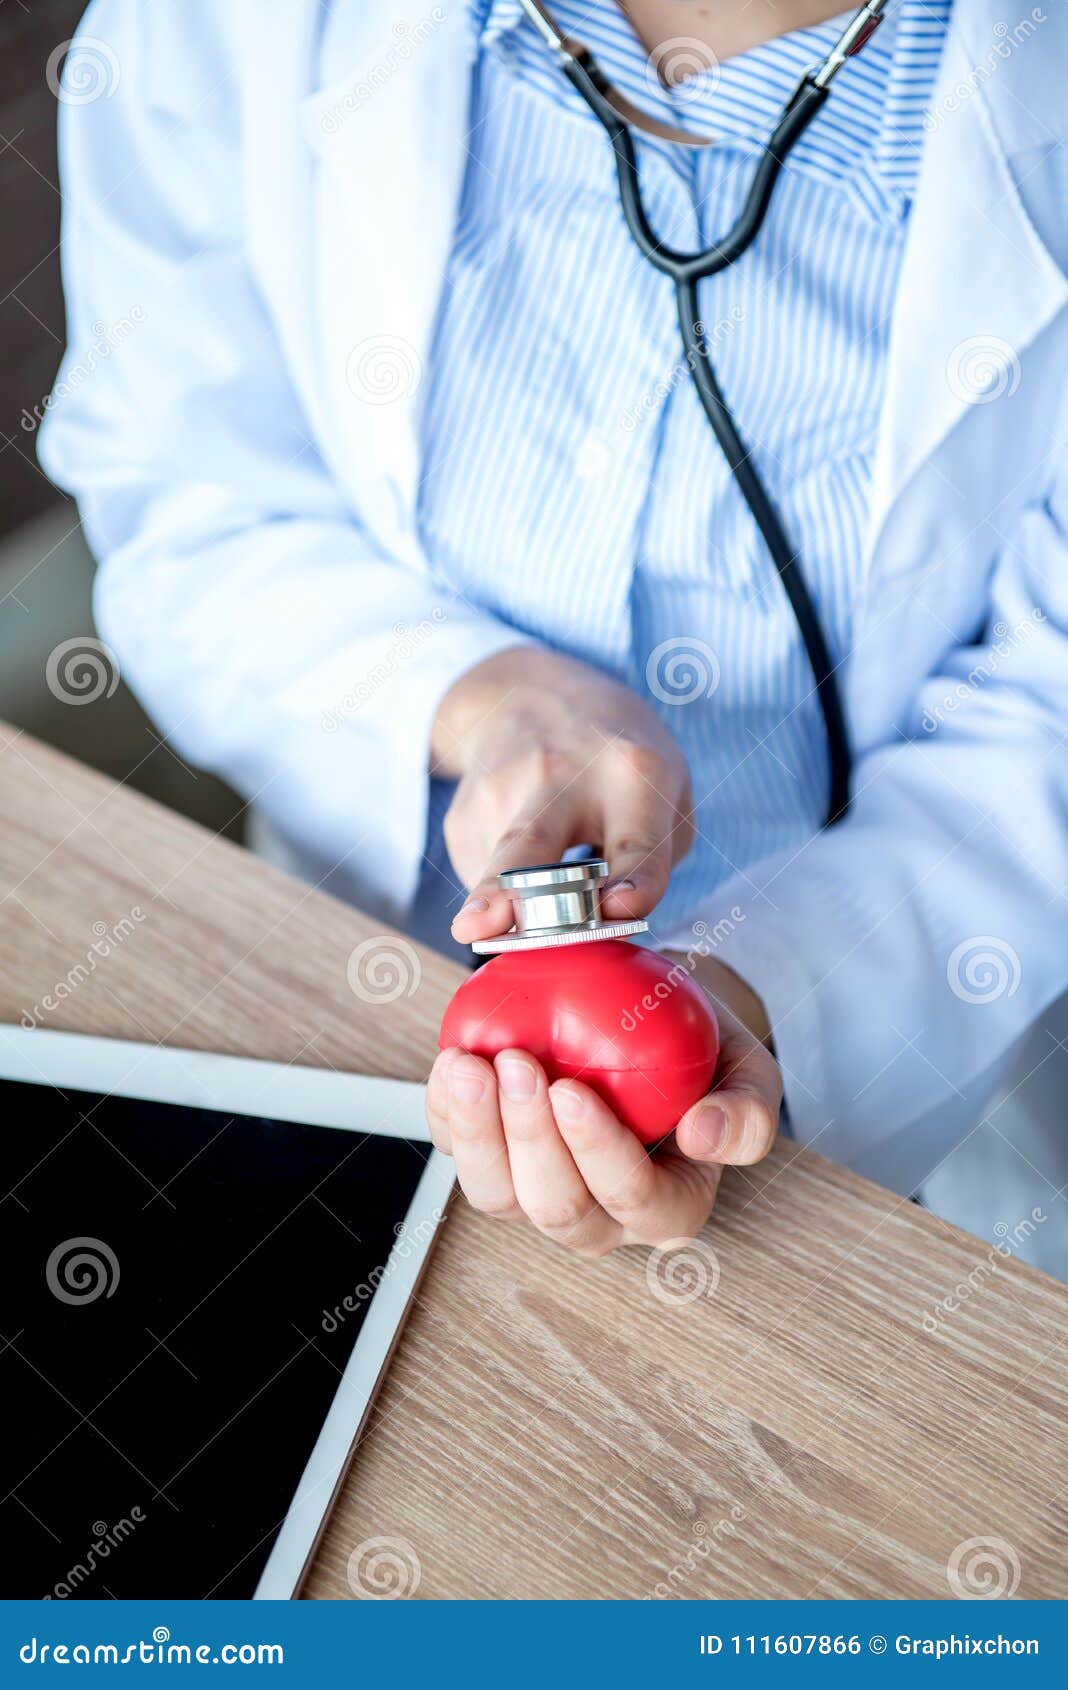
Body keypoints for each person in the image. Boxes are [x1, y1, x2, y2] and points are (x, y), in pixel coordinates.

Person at [41, 0, 1068, 1257]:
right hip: (341, 981)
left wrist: (744, 998)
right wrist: (481, 698)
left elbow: (1046, 714)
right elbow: (189, 496)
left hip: (868, 1073)